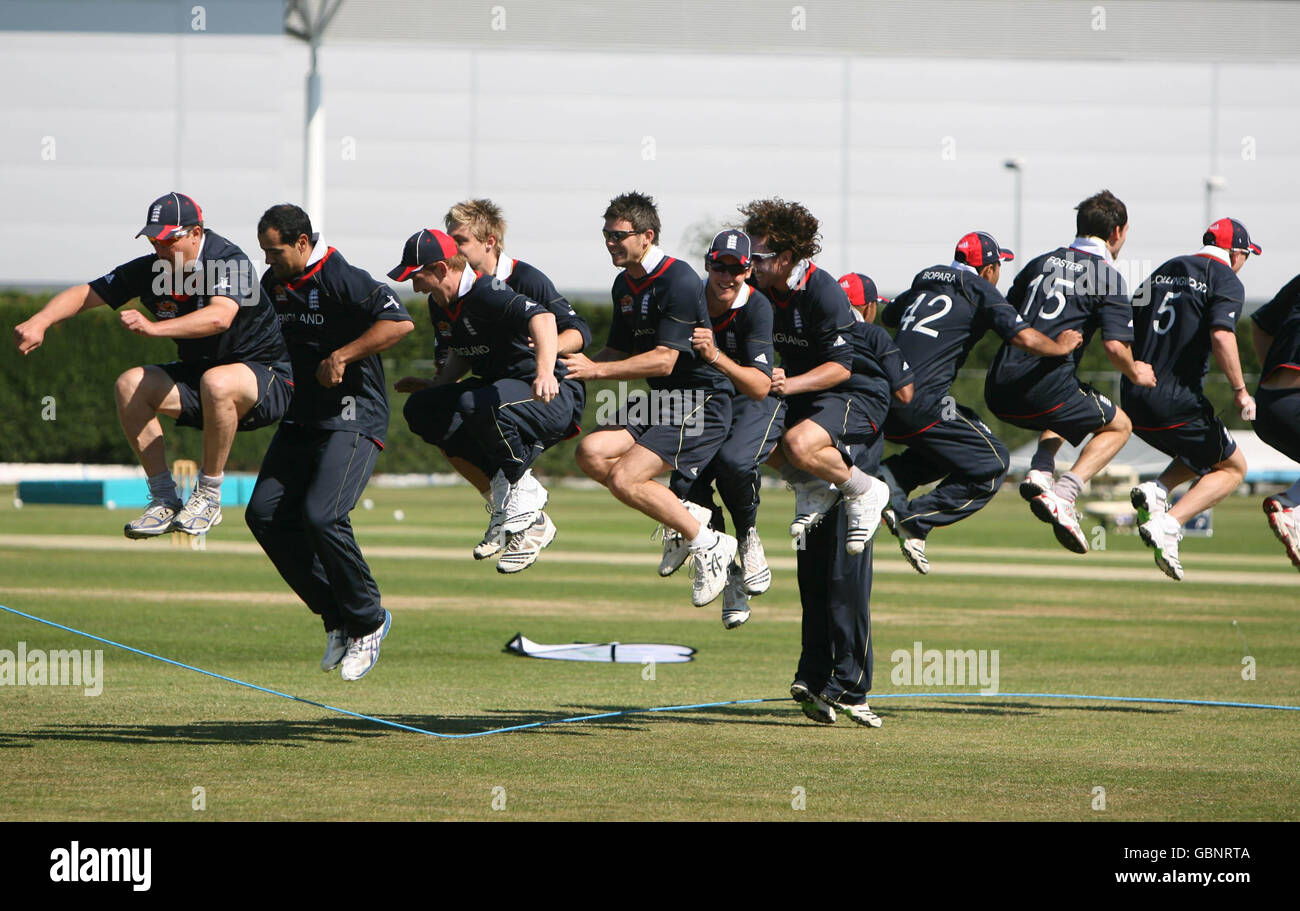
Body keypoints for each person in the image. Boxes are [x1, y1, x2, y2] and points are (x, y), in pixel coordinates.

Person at [13, 191, 290, 538]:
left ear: (195, 233)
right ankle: (163, 499)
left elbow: (220, 318)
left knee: (218, 382)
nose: (159, 248)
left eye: (168, 240)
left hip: (265, 379)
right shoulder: (153, 268)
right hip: (202, 380)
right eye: (153, 239)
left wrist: (155, 328)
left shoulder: (228, 261)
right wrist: (41, 320)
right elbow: (88, 292)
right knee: (130, 384)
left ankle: (208, 495)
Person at [246, 204, 414, 681]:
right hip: (302, 419)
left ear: (302, 243)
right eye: (264, 252)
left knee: (323, 514)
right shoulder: (274, 283)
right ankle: (336, 618)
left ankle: (369, 619)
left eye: (274, 251)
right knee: (263, 515)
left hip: (354, 419)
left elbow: (400, 323)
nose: (268, 260)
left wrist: (343, 354)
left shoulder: (342, 276)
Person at [394, 199, 590, 571]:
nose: (454, 246)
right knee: (425, 410)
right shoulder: (444, 299)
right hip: (499, 392)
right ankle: (510, 507)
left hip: (547, 393)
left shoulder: (503, 285)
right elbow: (463, 351)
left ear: (489, 241)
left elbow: (557, 323)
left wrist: (546, 368)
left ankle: (523, 493)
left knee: (475, 403)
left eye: (460, 240)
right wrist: (436, 384)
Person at [563, 192, 737, 607]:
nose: (609, 242)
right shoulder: (624, 283)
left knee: (626, 477)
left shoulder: (678, 279)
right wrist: (567, 364)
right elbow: (618, 354)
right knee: (590, 453)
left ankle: (710, 545)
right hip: (664, 401)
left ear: (647, 235)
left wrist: (595, 371)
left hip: (702, 400)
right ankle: (683, 517)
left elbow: (662, 361)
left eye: (618, 235)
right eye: (605, 234)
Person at [875, 233, 1082, 573]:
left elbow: (889, 317)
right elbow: (1024, 337)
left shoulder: (927, 277)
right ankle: (914, 520)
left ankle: (892, 476)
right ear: (987, 269)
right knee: (992, 462)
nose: (998, 273)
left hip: (888, 399)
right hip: (923, 403)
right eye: (998, 266)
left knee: (959, 448)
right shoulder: (979, 288)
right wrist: (1061, 346)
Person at [984, 190, 1156, 553]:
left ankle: (1041, 470)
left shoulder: (1039, 263)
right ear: (1117, 233)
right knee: (1119, 425)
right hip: (1043, 390)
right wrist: (1136, 371)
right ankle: (1065, 494)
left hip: (998, 388)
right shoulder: (1106, 276)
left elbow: (1005, 318)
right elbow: (1114, 347)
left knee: (1070, 400)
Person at [740, 198, 892, 554]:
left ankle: (867, 490)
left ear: (787, 257)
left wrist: (787, 384)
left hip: (857, 390)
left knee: (797, 444)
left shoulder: (823, 291)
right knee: (749, 435)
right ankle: (811, 485)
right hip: (806, 390)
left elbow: (841, 367)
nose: (753, 264)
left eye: (760, 257)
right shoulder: (760, 288)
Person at [1122, 218, 1260, 580]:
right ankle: (1169, 523)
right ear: (1235, 253)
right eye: (1246, 255)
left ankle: (1157, 489)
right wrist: (1241, 391)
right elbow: (1222, 336)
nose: (1244, 262)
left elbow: (1123, 320)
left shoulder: (1167, 268)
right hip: (1176, 400)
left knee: (1203, 453)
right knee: (1232, 468)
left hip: (1134, 397)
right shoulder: (1226, 278)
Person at [662, 229, 782, 628]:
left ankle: (748, 536)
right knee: (686, 483)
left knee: (732, 462)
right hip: (705, 404)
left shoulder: (756, 307)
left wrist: (715, 356)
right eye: (719, 266)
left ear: (749, 270)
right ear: (708, 265)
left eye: (737, 268)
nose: (727, 276)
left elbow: (760, 386)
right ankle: (727, 574)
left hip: (752, 402)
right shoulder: (688, 299)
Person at [1249, 272, 1300, 572]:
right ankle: (1290, 503)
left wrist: (1271, 379)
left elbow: (1259, 324)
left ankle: (1292, 507)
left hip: (1266, 406)